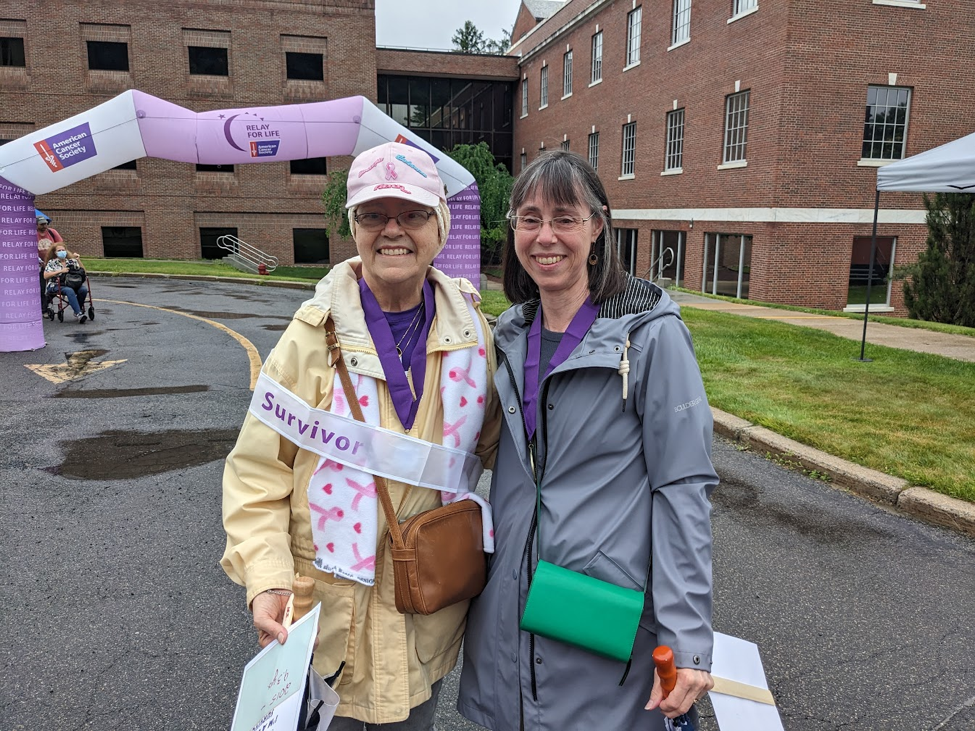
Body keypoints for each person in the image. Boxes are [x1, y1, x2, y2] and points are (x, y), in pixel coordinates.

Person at [221, 141, 500, 730]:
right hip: (327, 621)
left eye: (412, 214)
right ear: (354, 227)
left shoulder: (474, 334)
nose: (392, 230)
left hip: (425, 608)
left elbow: (499, 449)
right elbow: (256, 473)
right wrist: (265, 578)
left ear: (440, 227)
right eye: (374, 215)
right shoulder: (308, 339)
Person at [457, 150, 719, 731]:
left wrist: (687, 640)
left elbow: (683, 489)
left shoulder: (652, 339)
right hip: (512, 609)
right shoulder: (510, 334)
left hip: (599, 616)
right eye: (529, 218)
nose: (545, 236)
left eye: (564, 218)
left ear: (598, 226)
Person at [43, 243, 89, 324]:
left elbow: (83, 272)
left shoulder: (71, 261)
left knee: (83, 290)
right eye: (59, 250)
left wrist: (78, 260)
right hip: (56, 284)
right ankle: (79, 314)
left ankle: (77, 309)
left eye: (63, 250)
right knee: (69, 290)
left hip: (72, 283)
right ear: (55, 252)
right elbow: (45, 276)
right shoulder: (52, 262)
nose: (62, 252)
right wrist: (60, 271)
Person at [37, 215, 63, 314]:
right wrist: (40, 261)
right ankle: (43, 310)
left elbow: (60, 245)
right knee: (42, 287)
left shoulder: (52, 232)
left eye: (46, 224)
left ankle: (46, 304)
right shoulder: (33, 234)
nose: (45, 226)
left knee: (55, 286)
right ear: (36, 224)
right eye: (42, 224)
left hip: (53, 263)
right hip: (40, 265)